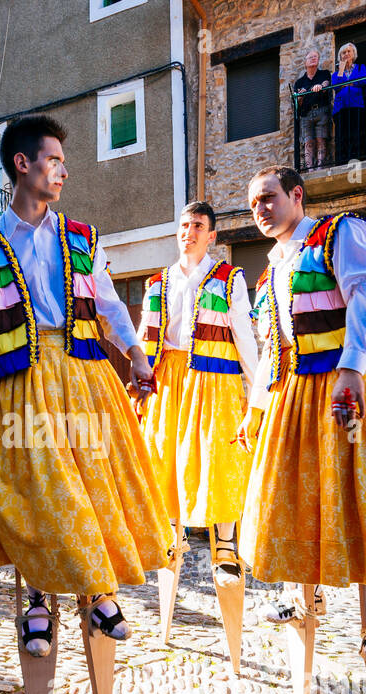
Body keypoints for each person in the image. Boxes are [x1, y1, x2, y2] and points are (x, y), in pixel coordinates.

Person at [0, 115, 171, 655]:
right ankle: (37, 602)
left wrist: (137, 355)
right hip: (20, 380)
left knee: (92, 481)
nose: (63, 172)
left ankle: (97, 588)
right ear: (22, 165)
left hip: (83, 372)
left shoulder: (81, 237)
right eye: (54, 160)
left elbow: (110, 304)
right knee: (35, 488)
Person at [235, 166, 366, 663]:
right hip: (295, 397)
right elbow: (275, 350)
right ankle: (304, 595)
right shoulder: (269, 273)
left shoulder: (340, 233)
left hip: (351, 385)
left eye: (268, 197)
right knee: (295, 492)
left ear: (296, 195)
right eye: (252, 205)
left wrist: (351, 367)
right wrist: (254, 410)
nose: (261, 210)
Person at [136, 201, 257, 583]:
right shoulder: (157, 282)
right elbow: (143, 336)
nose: (189, 233)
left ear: (212, 235)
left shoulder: (229, 278)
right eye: (185, 226)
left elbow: (245, 338)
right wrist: (140, 382)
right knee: (164, 453)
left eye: (198, 226)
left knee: (218, 453)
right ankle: (170, 536)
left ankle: (224, 544)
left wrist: (257, 396)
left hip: (214, 377)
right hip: (168, 377)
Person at [293, 49, 333, 170]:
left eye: (316, 57)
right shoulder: (299, 82)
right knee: (308, 142)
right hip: (305, 114)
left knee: (321, 140)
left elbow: (327, 84)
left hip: (321, 110)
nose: (313, 58)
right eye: (310, 57)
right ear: (305, 62)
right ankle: (310, 169)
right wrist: (300, 97)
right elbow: (296, 103)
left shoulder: (324, 74)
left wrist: (321, 86)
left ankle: (320, 167)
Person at [329, 43, 366, 166]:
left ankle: (356, 160)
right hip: (341, 108)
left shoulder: (361, 67)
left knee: (356, 133)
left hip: (356, 105)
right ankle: (342, 162)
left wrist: (348, 84)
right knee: (341, 136)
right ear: (340, 56)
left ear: (353, 54)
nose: (346, 54)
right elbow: (337, 87)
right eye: (343, 53)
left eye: (348, 51)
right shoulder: (336, 74)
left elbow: (363, 81)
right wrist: (341, 70)